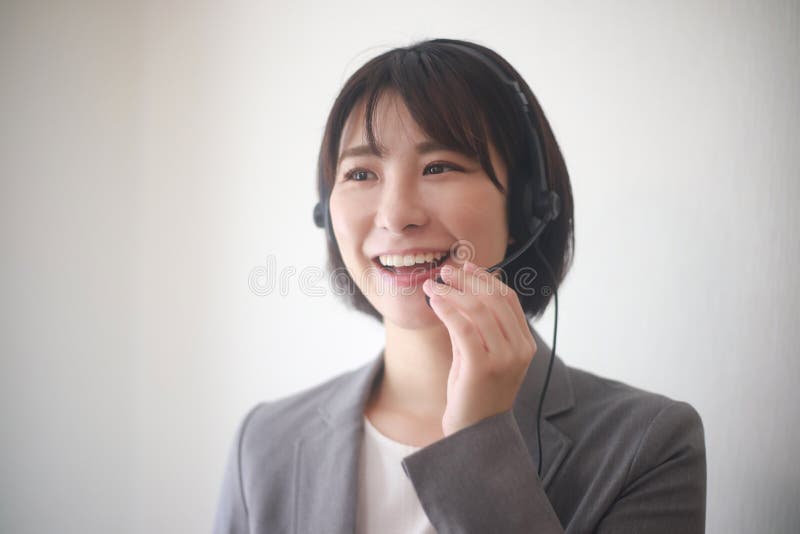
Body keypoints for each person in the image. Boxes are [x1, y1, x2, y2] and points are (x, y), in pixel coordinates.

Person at [213, 38, 707, 534]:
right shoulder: (264, 444)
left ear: (526, 209)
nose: (397, 215)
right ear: (327, 212)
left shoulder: (650, 446)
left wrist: (481, 441)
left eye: (439, 167)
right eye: (361, 173)